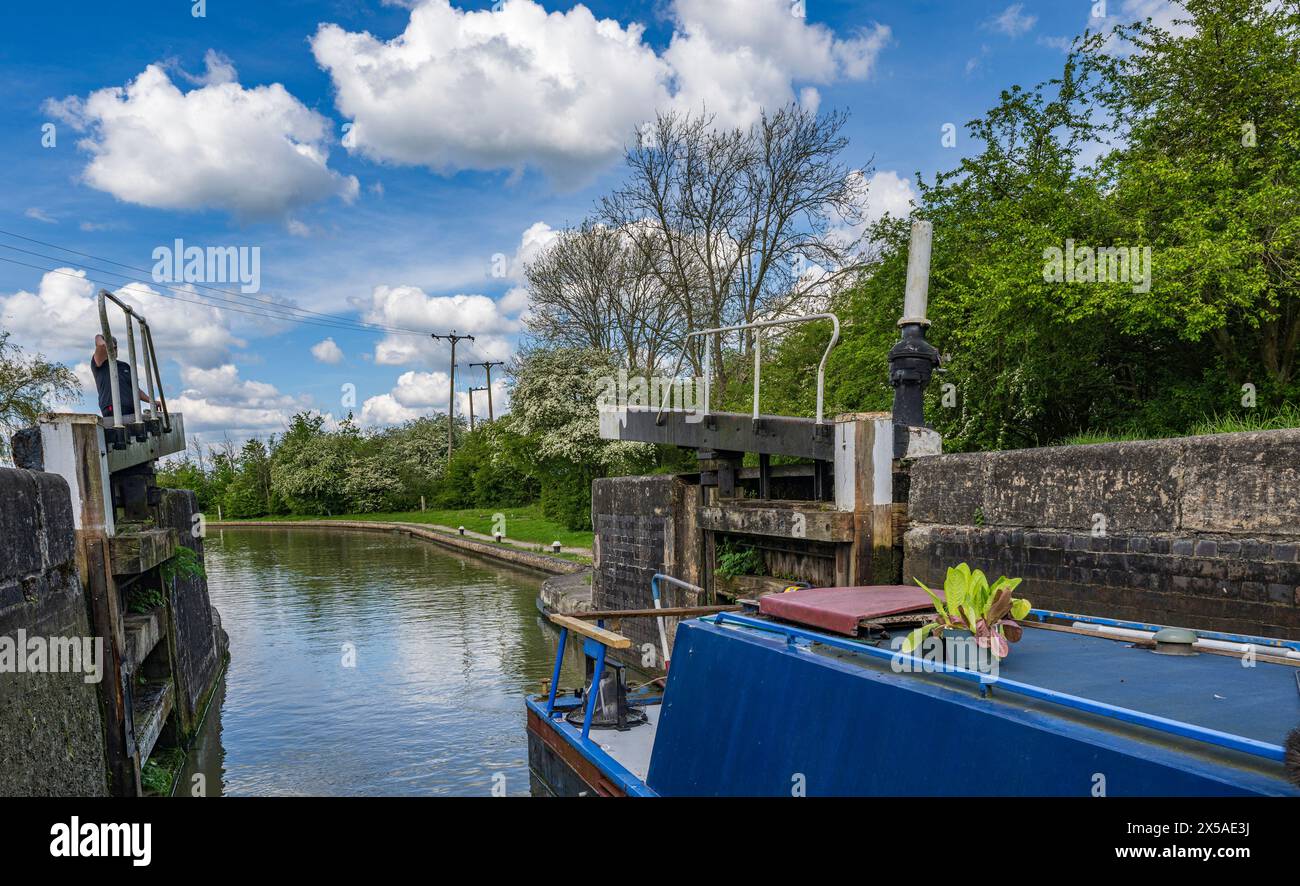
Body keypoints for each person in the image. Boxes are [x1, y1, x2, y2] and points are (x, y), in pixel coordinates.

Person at [92, 334, 158, 419]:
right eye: (110, 348)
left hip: (131, 409)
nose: (113, 351)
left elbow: (135, 389)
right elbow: (99, 343)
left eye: (115, 348)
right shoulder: (99, 364)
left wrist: (152, 401)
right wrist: (101, 339)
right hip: (112, 408)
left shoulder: (125, 366)